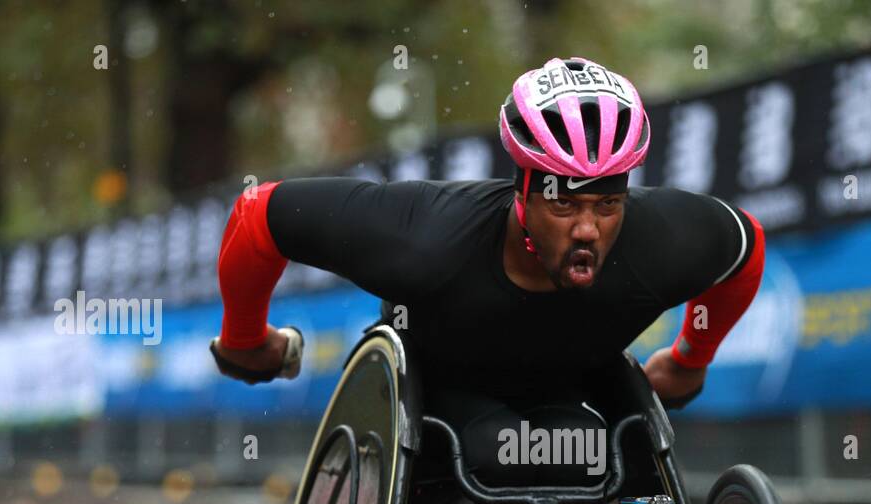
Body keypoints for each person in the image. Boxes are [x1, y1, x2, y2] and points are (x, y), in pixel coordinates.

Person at [211, 55, 765, 413]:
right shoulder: (423, 237)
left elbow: (748, 247)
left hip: (575, 398)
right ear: (522, 192)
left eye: (608, 204)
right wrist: (244, 339)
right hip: (438, 398)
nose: (588, 229)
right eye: (563, 203)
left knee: (600, 448)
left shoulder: (666, 238)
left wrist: (690, 357)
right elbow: (257, 214)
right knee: (488, 450)